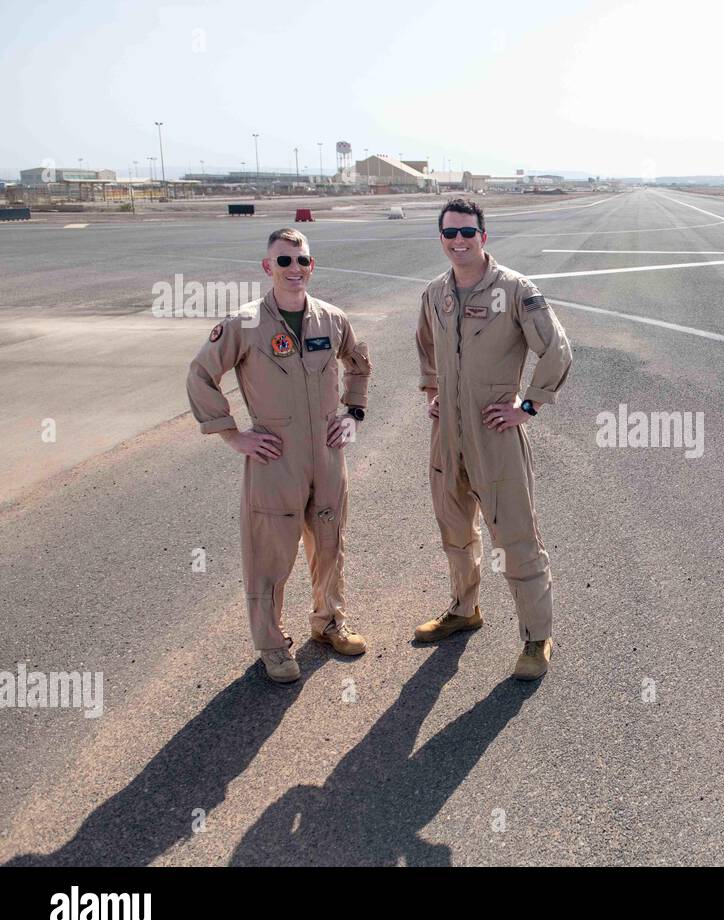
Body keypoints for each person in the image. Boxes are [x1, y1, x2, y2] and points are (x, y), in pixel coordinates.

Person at [186, 228, 372, 683]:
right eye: (284, 261)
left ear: (313, 266)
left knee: (329, 543)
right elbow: (200, 375)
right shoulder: (244, 324)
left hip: (327, 454)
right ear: (267, 268)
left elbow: (360, 363)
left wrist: (353, 413)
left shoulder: (332, 319)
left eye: (302, 260)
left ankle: (329, 622)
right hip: (275, 456)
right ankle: (271, 645)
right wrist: (231, 434)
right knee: (270, 554)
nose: (294, 269)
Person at [414, 199, 572, 680]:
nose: (458, 241)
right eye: (449, 233)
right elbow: (425, 345)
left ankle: (536, 637)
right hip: (448, 438)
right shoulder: (435, 293)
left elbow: (557, 350)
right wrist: (433, 392)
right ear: (441, 238)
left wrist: (527, 406)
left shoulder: (516, 290)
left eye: (467, 232)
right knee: (455, 532)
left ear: (484, 235)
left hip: (495, 436)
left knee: (516, 537)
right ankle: (464, 610)